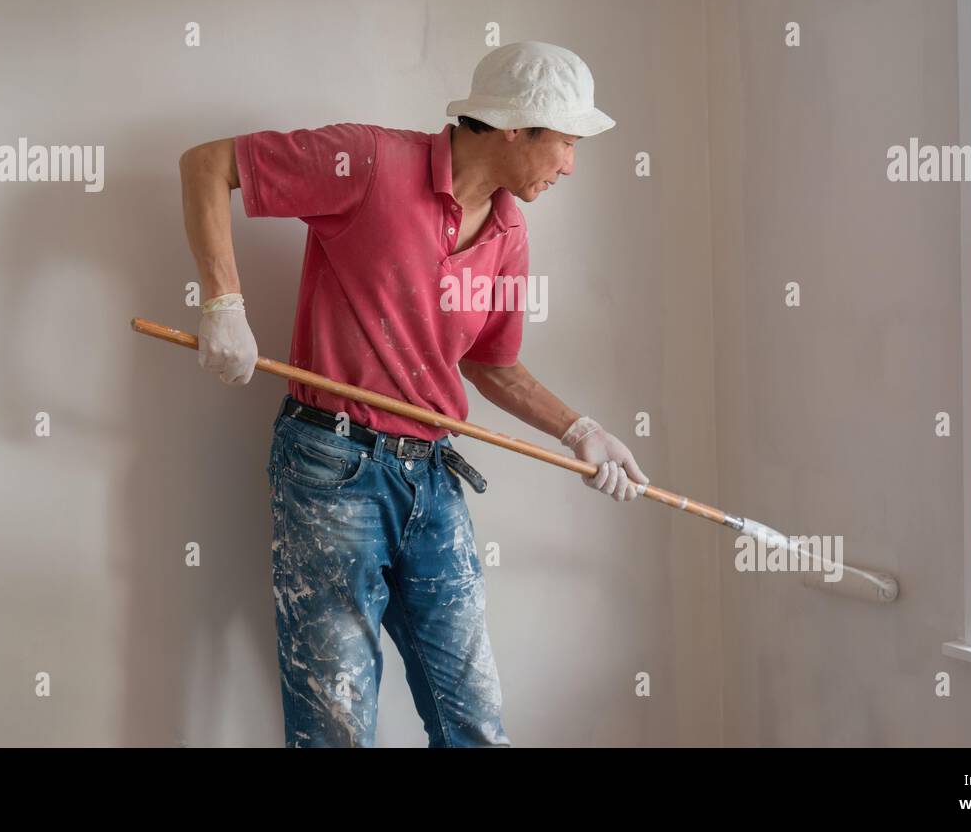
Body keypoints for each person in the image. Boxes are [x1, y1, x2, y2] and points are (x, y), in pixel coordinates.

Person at [178, 40, 648, 747]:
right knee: (335, 730)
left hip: (431, 477)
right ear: (516, 127)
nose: (570, 166)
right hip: (332, 470)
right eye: (567, 142)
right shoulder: (367, 162)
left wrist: (581, 430)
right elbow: (207, 166)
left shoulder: (509, 232)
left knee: (474, 725)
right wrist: (222, 302)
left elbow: (491, 365)